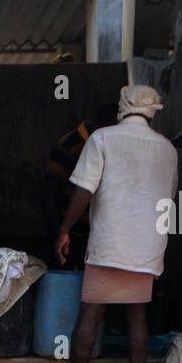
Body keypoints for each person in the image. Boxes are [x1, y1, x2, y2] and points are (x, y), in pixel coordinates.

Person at [54, 85, 178, 363]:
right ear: (153, 109)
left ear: (123, 105)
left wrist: (65, 229)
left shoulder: (103, 138)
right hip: (147, 244)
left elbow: (83, 190)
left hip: (111, 241)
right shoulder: (167, 148)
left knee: (91, 312)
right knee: (137, 314)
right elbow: (169, 197)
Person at [44, 101, 118, 267]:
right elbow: (49, 192)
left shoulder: (110, 144)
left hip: (97, 233)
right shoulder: (70, 145)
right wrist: (60, 232)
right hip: (72, 232)